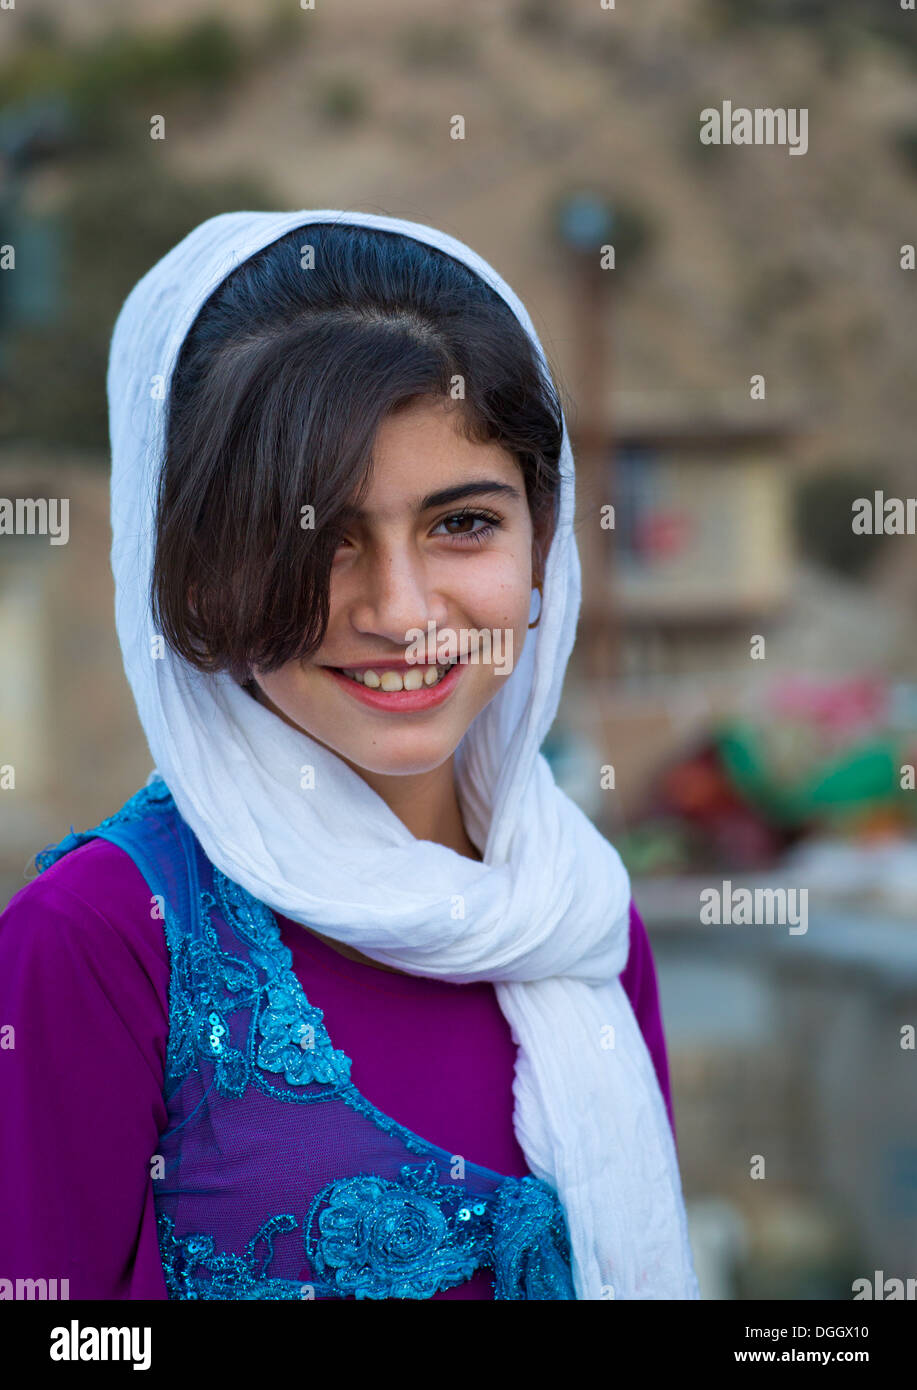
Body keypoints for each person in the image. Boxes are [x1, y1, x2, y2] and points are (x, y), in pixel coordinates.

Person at [0, 211, 699, 1300]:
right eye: (313, 537)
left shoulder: (574, 917)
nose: (400, 610)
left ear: (542, 543)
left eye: (461, 523)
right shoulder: (99, 942)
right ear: (188, 573)